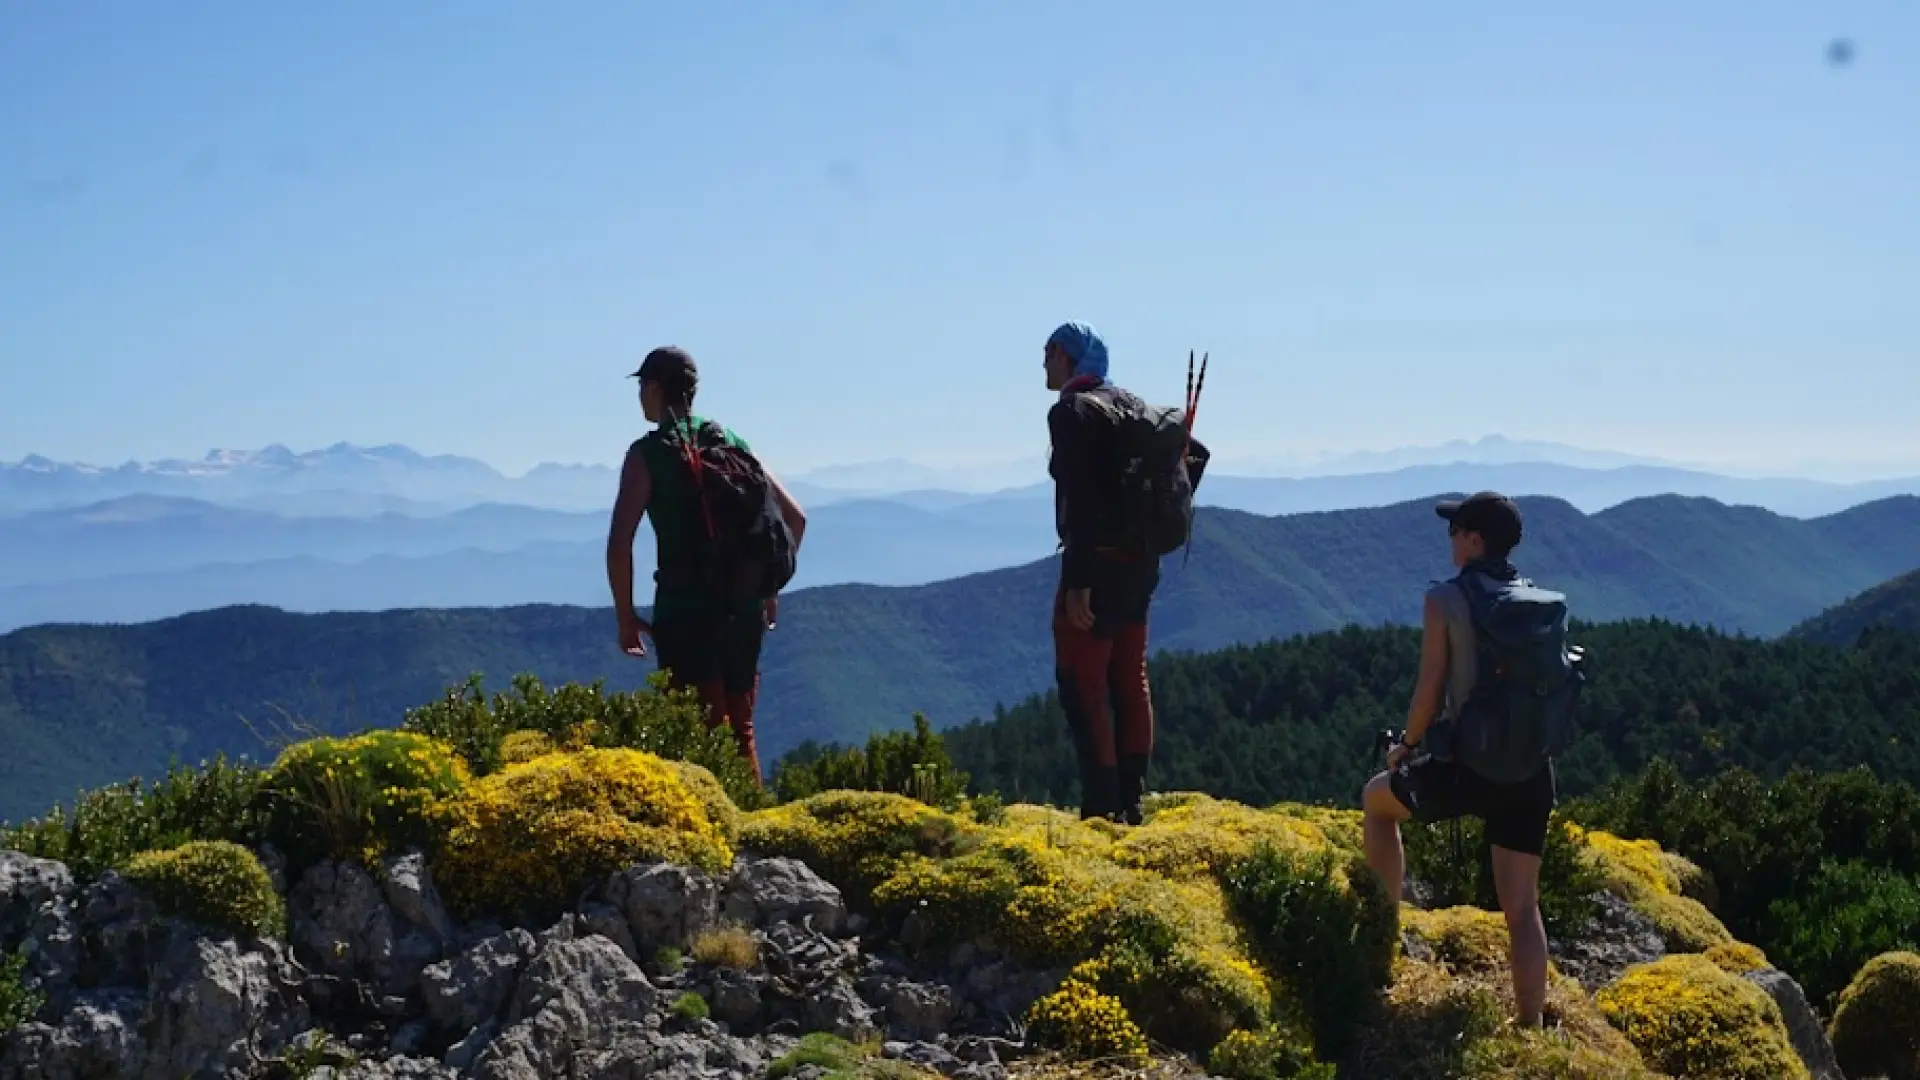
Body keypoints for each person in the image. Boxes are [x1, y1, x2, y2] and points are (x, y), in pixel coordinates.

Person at [1360, 491, 1559, 1028]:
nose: (1449, 539)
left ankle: (1380, 951)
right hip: (1530, 770)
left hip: (1468, 768)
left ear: (1474, 540)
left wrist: (1405, 746)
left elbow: (1429, 694)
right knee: (1521, 906)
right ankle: (1531, 1026)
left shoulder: (1446, 600)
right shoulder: (1533, 598)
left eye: (1456, 531)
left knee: (1377, 803)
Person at [606, 345, 807, 783]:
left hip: (685, 612)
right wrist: (765, 588)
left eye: (642, 386)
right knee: (740, 727)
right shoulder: (732, 443)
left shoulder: (649, 454)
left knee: (695, 733)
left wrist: (626, 618)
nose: (640, 395)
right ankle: (754, 824)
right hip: (743, 611)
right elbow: (795, 518)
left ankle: (711, 836)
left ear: (655, 389)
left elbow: (620, 542)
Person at [1043, 321, 1209, 825]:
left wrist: (1077, 581)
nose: (1043, 362)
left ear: (1070, 357)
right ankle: (1132, 799)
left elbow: (1079, 501)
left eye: (1049, 351)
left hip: (1096, 566)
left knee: (1083, 682)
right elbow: (1194, 454)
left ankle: (1100, 804)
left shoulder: (1072, 412)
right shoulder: (1137, 407)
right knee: (1129, 676)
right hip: (1142, 565)